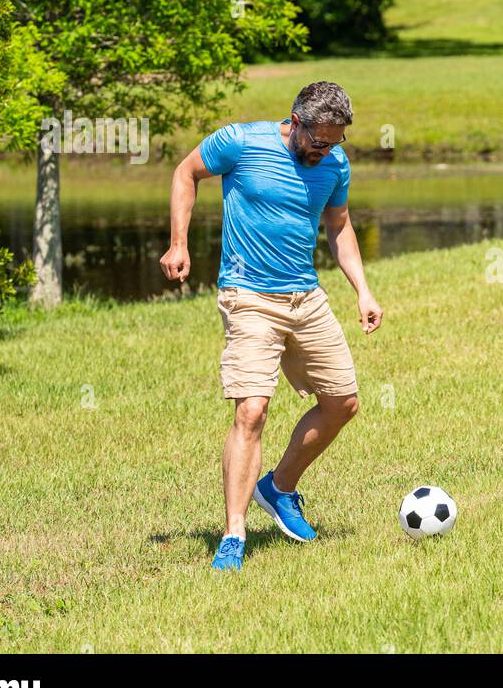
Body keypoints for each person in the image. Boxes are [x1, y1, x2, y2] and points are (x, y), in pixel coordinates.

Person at [160, 81, 383, 569]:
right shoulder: (241, 142)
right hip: (248, 296)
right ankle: (234, 536)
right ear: (296, 121)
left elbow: (339, 223)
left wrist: (362, 290)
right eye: (319, 140)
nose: (325, 151)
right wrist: (179, 243)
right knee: (252, 411)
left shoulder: (335, 165)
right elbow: (185, 172)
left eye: (335, 141)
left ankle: (279, 487)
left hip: (306, 296)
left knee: (343, 402)